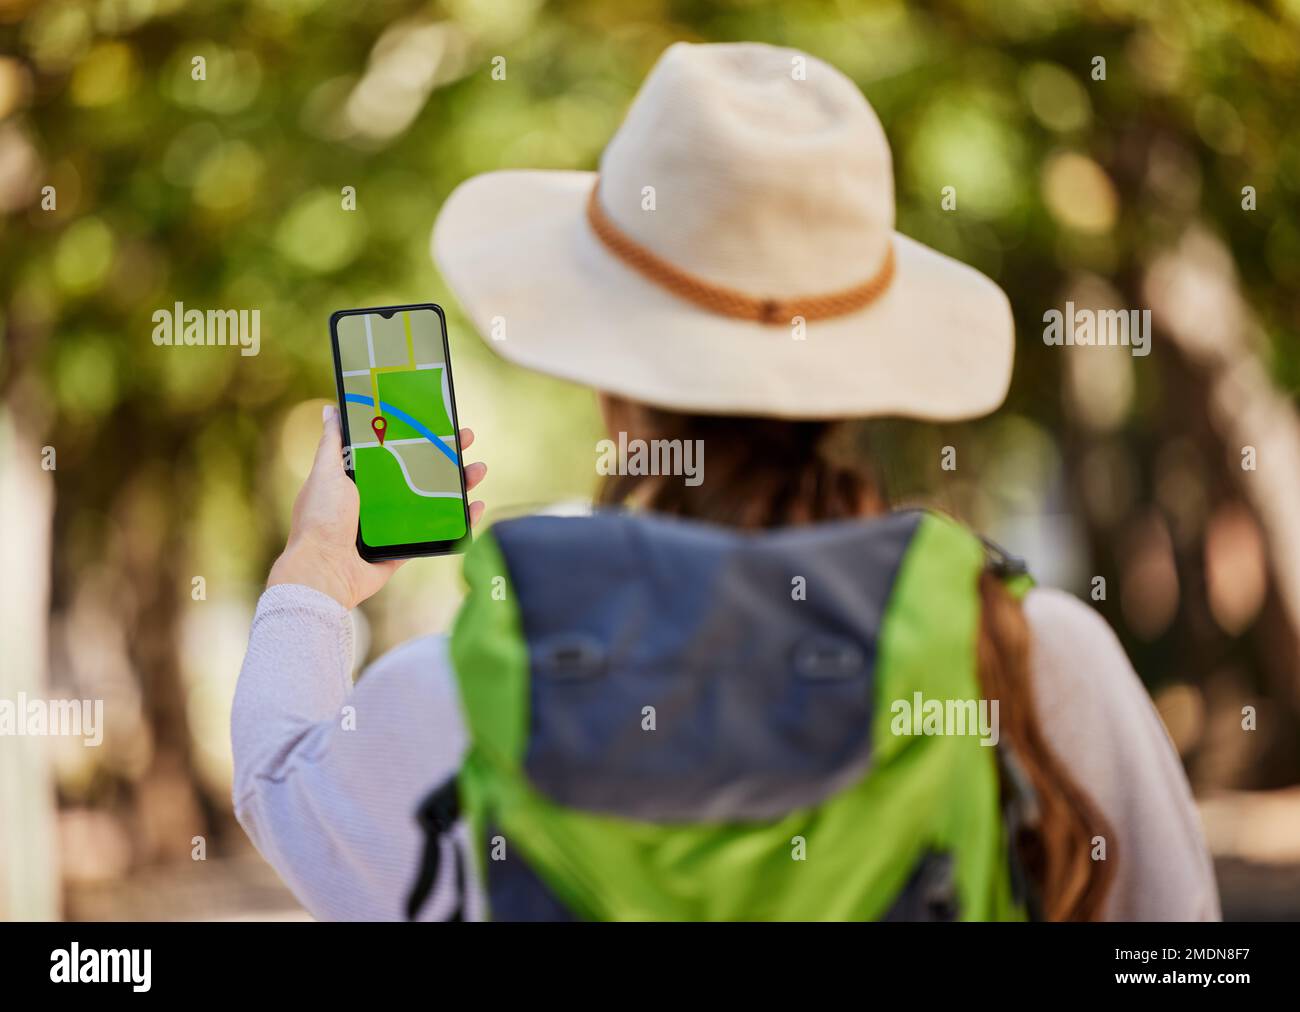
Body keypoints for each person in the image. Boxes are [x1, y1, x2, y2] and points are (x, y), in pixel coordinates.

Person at [232, 41, 1219, 921]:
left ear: (612, 392)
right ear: (857, 387)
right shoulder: (1036, 659)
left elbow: (280, 782)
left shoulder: (474, 687)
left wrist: (317, 564)